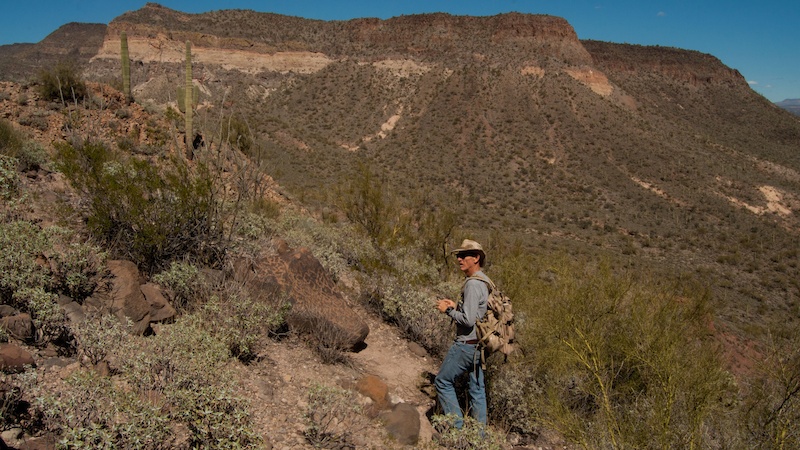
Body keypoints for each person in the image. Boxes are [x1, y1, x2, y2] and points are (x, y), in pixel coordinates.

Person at [434, 239, 490, 429]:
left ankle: (457, 430)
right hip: (479, 346)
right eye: (458, 255)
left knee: (442, 381)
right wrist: (456, 306)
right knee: (477, 390)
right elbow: (477, 312)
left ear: (476, 258)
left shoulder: (473, 284)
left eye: (464, 255)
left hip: (466, 344)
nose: (459, 259)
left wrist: (447, 311)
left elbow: (468, 320)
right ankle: (479, 438)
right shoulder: (485, 280)